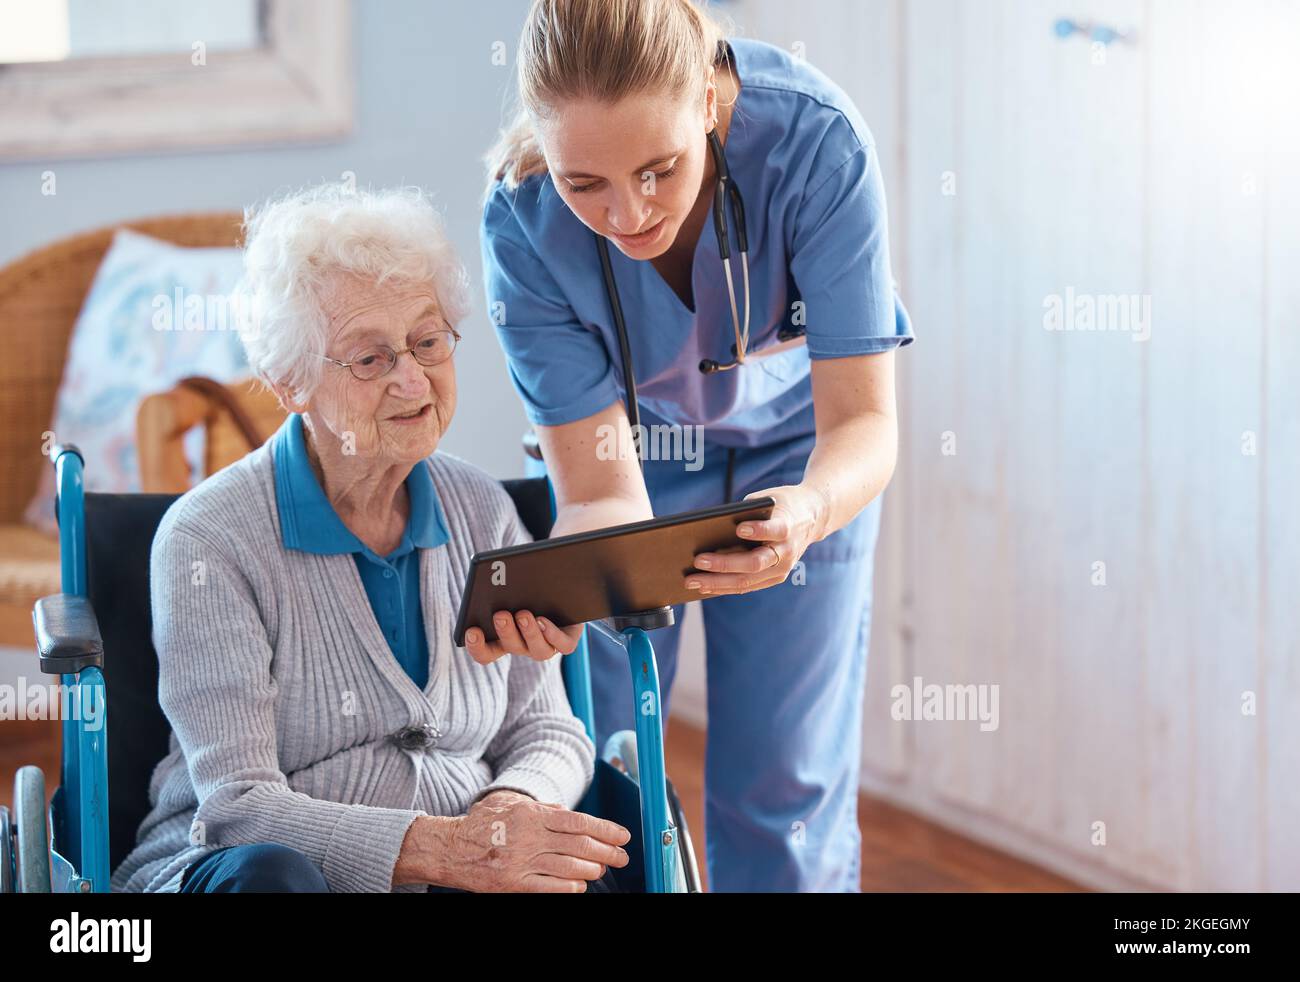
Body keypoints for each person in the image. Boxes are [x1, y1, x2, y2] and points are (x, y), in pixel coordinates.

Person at [478, 0, 913, 891]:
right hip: (622, 469)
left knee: (784, 783)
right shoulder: (521, 219)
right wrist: (595, 582)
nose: (626, 213)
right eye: (583, 183)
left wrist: (811, 510)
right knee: (603, 770)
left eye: (659, 168)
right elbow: (599, 493)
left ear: (710, 99)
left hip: (797, 465)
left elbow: (864, 425)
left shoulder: (816, 145)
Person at [110, 184, 629, 893]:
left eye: (427, 341)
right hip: (260, 872)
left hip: (461, 872)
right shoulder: (210, 541)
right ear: (289, 381)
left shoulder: (483, 510)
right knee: (274, 880)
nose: (413, 380)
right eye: (370, 359)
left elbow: (548, 731)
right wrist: (441, 849)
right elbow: (237, 809)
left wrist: (508, 816)